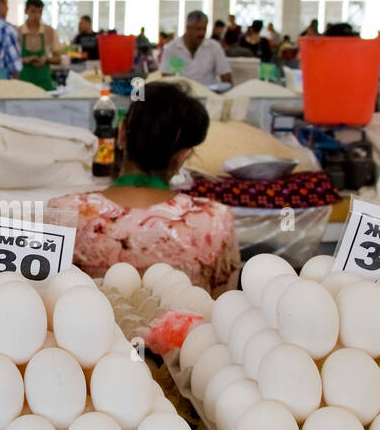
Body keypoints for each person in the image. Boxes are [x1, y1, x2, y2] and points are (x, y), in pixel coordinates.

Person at [47, 82, 239, 294]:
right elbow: (222, 307)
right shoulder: (214, 222)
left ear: (120, 133)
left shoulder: (65, 213)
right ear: (184, 155)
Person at [160, 11, 233, 86]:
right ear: (187, 28)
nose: (202, 33)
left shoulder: (214, 47)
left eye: (204, 29)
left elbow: (226, 76)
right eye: (198, 29)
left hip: (209, 93)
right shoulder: (172, 48)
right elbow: (167, 78)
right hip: (182, 94)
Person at [18, 0, 60, 91]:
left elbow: (58, 58)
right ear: (26, 11)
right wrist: (26, 60)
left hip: (44, 84)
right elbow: (11, 60)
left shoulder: (49, 31)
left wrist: (46, 60)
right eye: (33, 11)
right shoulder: (18, 32)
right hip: (23, 84)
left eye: (40, 12)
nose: (37, 16)